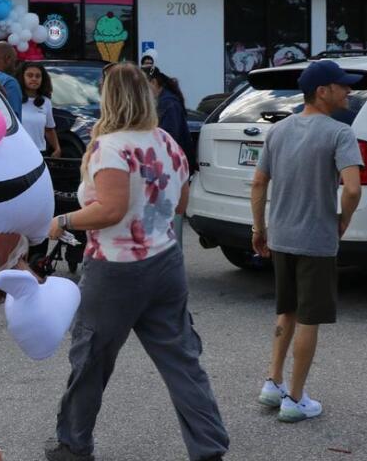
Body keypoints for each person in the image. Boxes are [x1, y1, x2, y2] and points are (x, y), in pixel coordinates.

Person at [45, 63, 229, 461]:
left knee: (91, 359)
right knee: (182, 361)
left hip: (115, 268)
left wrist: (62, 221)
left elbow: (110, 210)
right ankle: (209, 448)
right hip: (166, 261)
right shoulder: (167, 142)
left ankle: (74, 445)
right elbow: (179, 203)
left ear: (108, 98)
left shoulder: (109, 147)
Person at [250, 60, 363, 423]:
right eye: (342, 86)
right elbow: (353, 189)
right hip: (316, 238)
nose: (349, 91)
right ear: (322, 91)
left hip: (282, 235)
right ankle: (295, 399)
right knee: (309, 318)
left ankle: (273, 382)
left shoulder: (278, 131)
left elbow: (258, 182)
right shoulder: (340, 133)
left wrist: (258, 229)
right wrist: (343, 220)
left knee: (287, 310)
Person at [147, 66, 195, 165]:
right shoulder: (163, 101)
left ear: (154, 82)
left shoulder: (168, 103)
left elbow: (168, 138)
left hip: (175, 163)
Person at [17, 61, 62, 158]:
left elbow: (49, 129)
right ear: (22, 77)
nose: (34, 79)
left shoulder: (46, 102)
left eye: (38, 76)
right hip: (18, 152)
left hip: (39, 153)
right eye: (30, 75)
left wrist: (57, 148)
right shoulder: (15, 100)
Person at [0, 41, 23, 118]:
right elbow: (14, 118)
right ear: (7, 58)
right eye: (14, 62)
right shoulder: (9, 83)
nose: (14, 68)